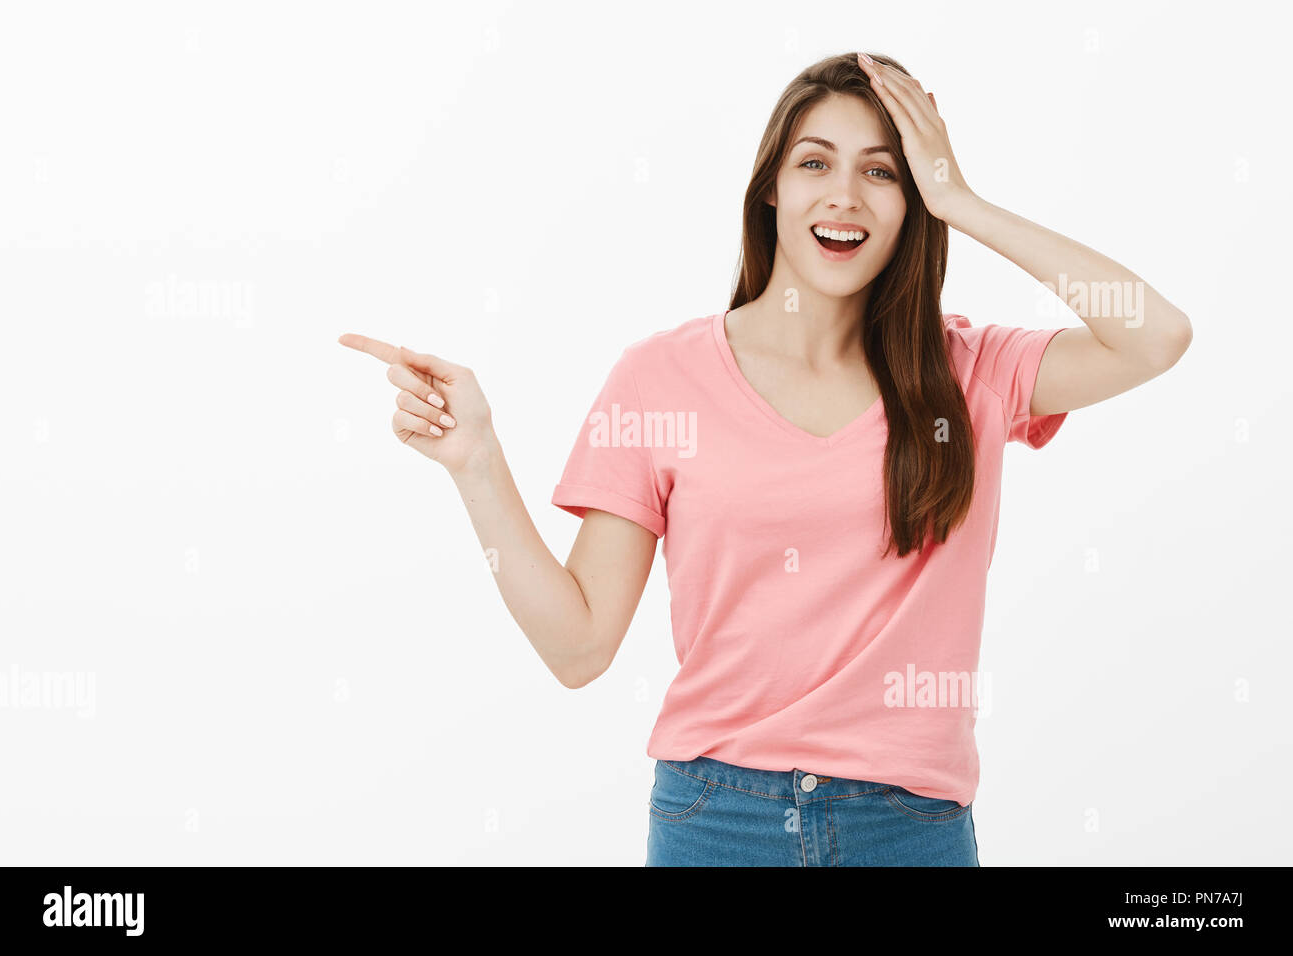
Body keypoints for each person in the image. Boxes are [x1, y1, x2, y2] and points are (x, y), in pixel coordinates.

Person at [337, 51, 1192, 866]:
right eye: (815, 164)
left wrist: (959, 199)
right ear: (772, 192)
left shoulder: (971, 372)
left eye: (882, 172)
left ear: (911, 204)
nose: (845, 196)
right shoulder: (659, 378)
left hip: (909, 828)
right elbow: (579, 648)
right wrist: (477, 462)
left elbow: (1156, 337)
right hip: (716, 822)